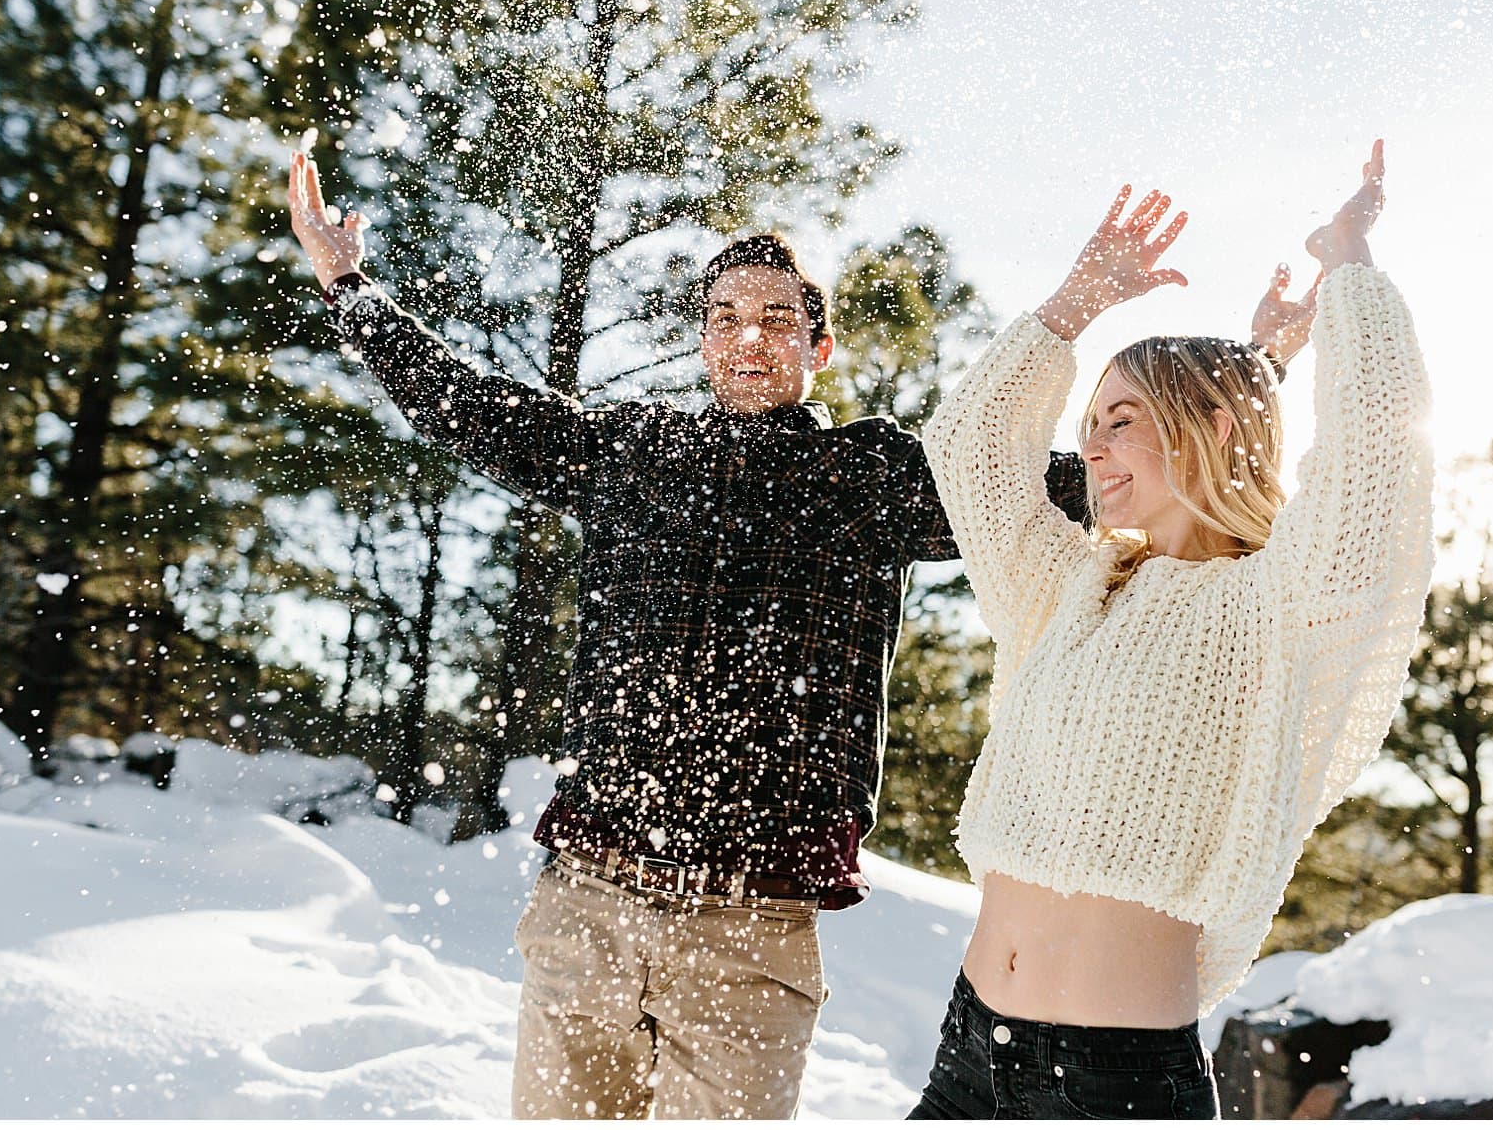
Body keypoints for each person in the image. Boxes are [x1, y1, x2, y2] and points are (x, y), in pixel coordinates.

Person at [284, 147, 1095, 1119]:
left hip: (751, 929)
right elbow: (470, 409)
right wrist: (347, 286)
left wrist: (1219, 409)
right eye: (724, 318)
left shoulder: (870, 481)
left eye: (776, 319)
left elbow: (1059, 485)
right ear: (701, 340)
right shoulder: (633, 454)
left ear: (818, 346)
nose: (747, 338)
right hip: (588, 897)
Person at [914, 140, 1433, 1119]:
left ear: (1207, 432)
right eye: (1088, 423)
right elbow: (968, 447)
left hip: (1114, 1082)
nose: (1090, 448)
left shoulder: (1271, 607)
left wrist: (1349, 260)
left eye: (1119, 420)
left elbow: (1372, 458)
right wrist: (1077, 301)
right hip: (967, 1055)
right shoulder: (1067, 586)